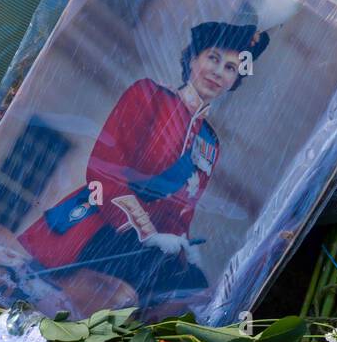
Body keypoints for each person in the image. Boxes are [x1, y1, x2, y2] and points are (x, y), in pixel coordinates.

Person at [17, 18, 270, 312]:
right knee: (150, 270)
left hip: (150, 248)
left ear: (235, 82)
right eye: (213, 58)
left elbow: (182, 212)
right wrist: (148, 234)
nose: (218, 72)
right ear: (192, 58)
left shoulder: (210, 143)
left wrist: (179, 245)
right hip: (105, 225)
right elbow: (102, 172)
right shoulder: (148, 95)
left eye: (230, 68)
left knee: (194, 286)